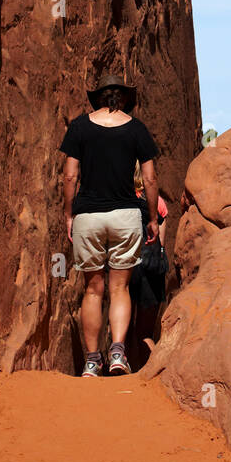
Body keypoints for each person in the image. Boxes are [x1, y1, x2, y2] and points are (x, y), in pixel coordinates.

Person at [61, 72, 159, 377]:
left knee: (93, 289)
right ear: (125, 98)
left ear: (98, 98)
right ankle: (117, 353)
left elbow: (69, 175)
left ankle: (92, 361)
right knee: (120, 288)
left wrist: (69, 214)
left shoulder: (79, 127)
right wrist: (152, 218)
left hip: (88, 216)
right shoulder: (136, 129)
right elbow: (150, 178)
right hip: (125, 216)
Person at [126, 162, 169, 370]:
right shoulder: (158, 202)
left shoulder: (121, 198)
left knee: (123, 329)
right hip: (151, 268)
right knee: (145, 333)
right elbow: (162, 243)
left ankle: (123, 374)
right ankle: (151, 373)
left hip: (126, 266)